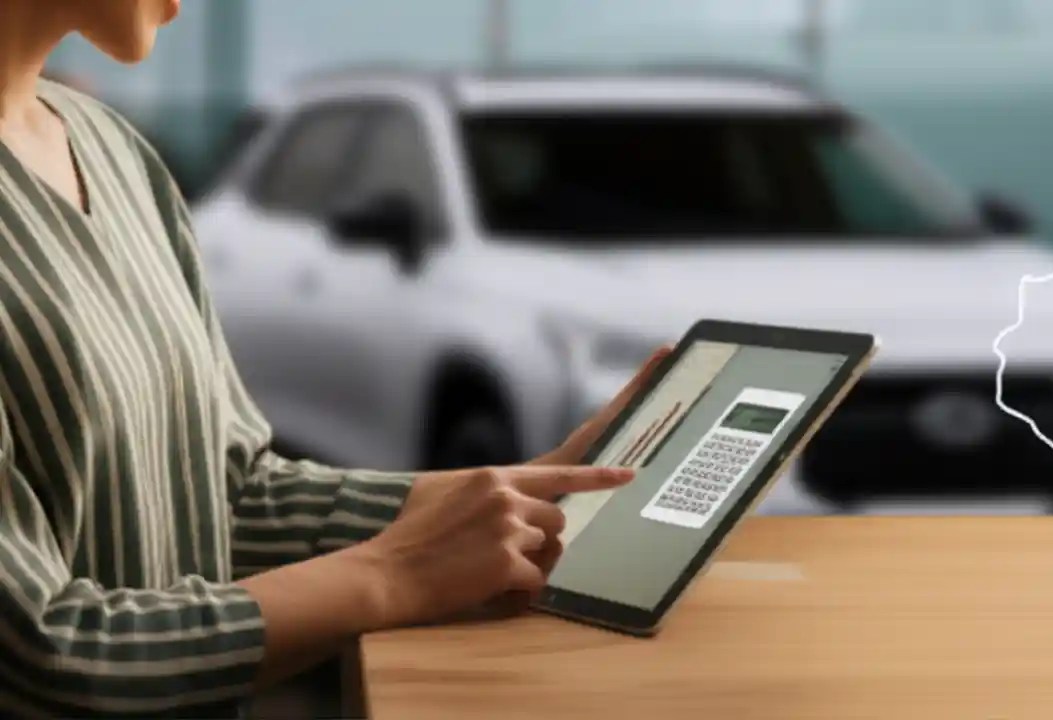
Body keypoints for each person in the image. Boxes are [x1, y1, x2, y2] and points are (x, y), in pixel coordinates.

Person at [0, 1, 667, 716]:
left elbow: (227, 494)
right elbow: (45, 653)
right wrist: (395, 574)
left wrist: (522, 493)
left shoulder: (110, 147)